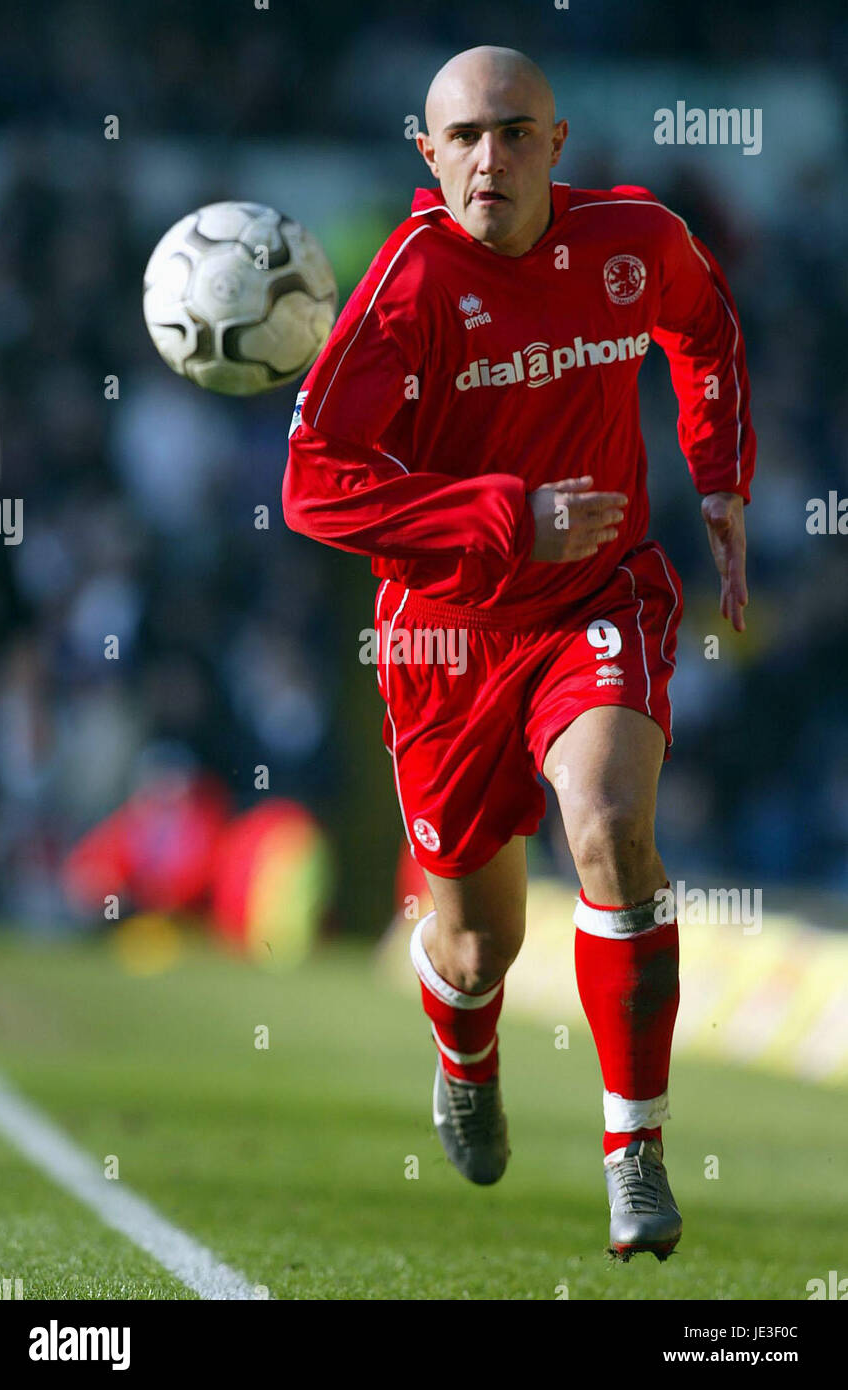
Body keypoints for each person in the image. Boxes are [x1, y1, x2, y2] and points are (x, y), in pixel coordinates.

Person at [283, 45, 755, 1260]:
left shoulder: (631, 242)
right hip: (443, 636)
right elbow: (314, 487)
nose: (487, 158)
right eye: (462, 138)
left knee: (605, 821)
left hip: (598, 596)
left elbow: (702, 328)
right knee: (479, 942)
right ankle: (465, 1050)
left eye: (511, 133)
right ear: (425, 153)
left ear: (556, 146)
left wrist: (717, 478)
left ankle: (631, 1147)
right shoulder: (401, 288)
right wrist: (501, 513)